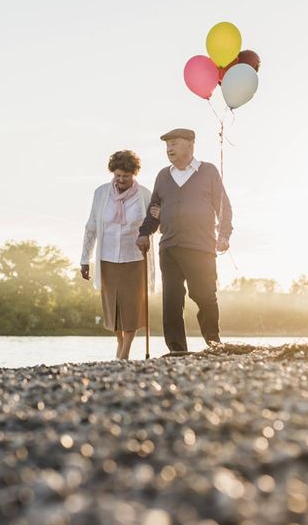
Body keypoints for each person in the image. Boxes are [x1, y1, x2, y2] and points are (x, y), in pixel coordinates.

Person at [136, 128, 232, 353]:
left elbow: (224, 207)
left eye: (174, 143)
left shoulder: (207, 171)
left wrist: (224, 234)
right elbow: (153, 210)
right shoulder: (163, 175)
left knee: (205, 295)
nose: (169, 148)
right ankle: (177, 350)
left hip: (200, 247)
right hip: (169, 246)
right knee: (171, 300)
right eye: (167, 144)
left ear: (190, 144)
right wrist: (144, 233)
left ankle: (213, 343)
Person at [80, 150, 156, 360]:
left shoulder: (145, 195)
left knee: (132, 305)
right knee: (112, 305)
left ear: (134, 174)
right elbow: (91, 227)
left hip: (135, 257)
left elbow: (153, 225)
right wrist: (84, 259)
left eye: (126, 176)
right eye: (118, 175)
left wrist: (147, 234)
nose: (121, 180)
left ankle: (125, 352)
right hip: (108, 257)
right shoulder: (101, 193)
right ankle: (120, 341)